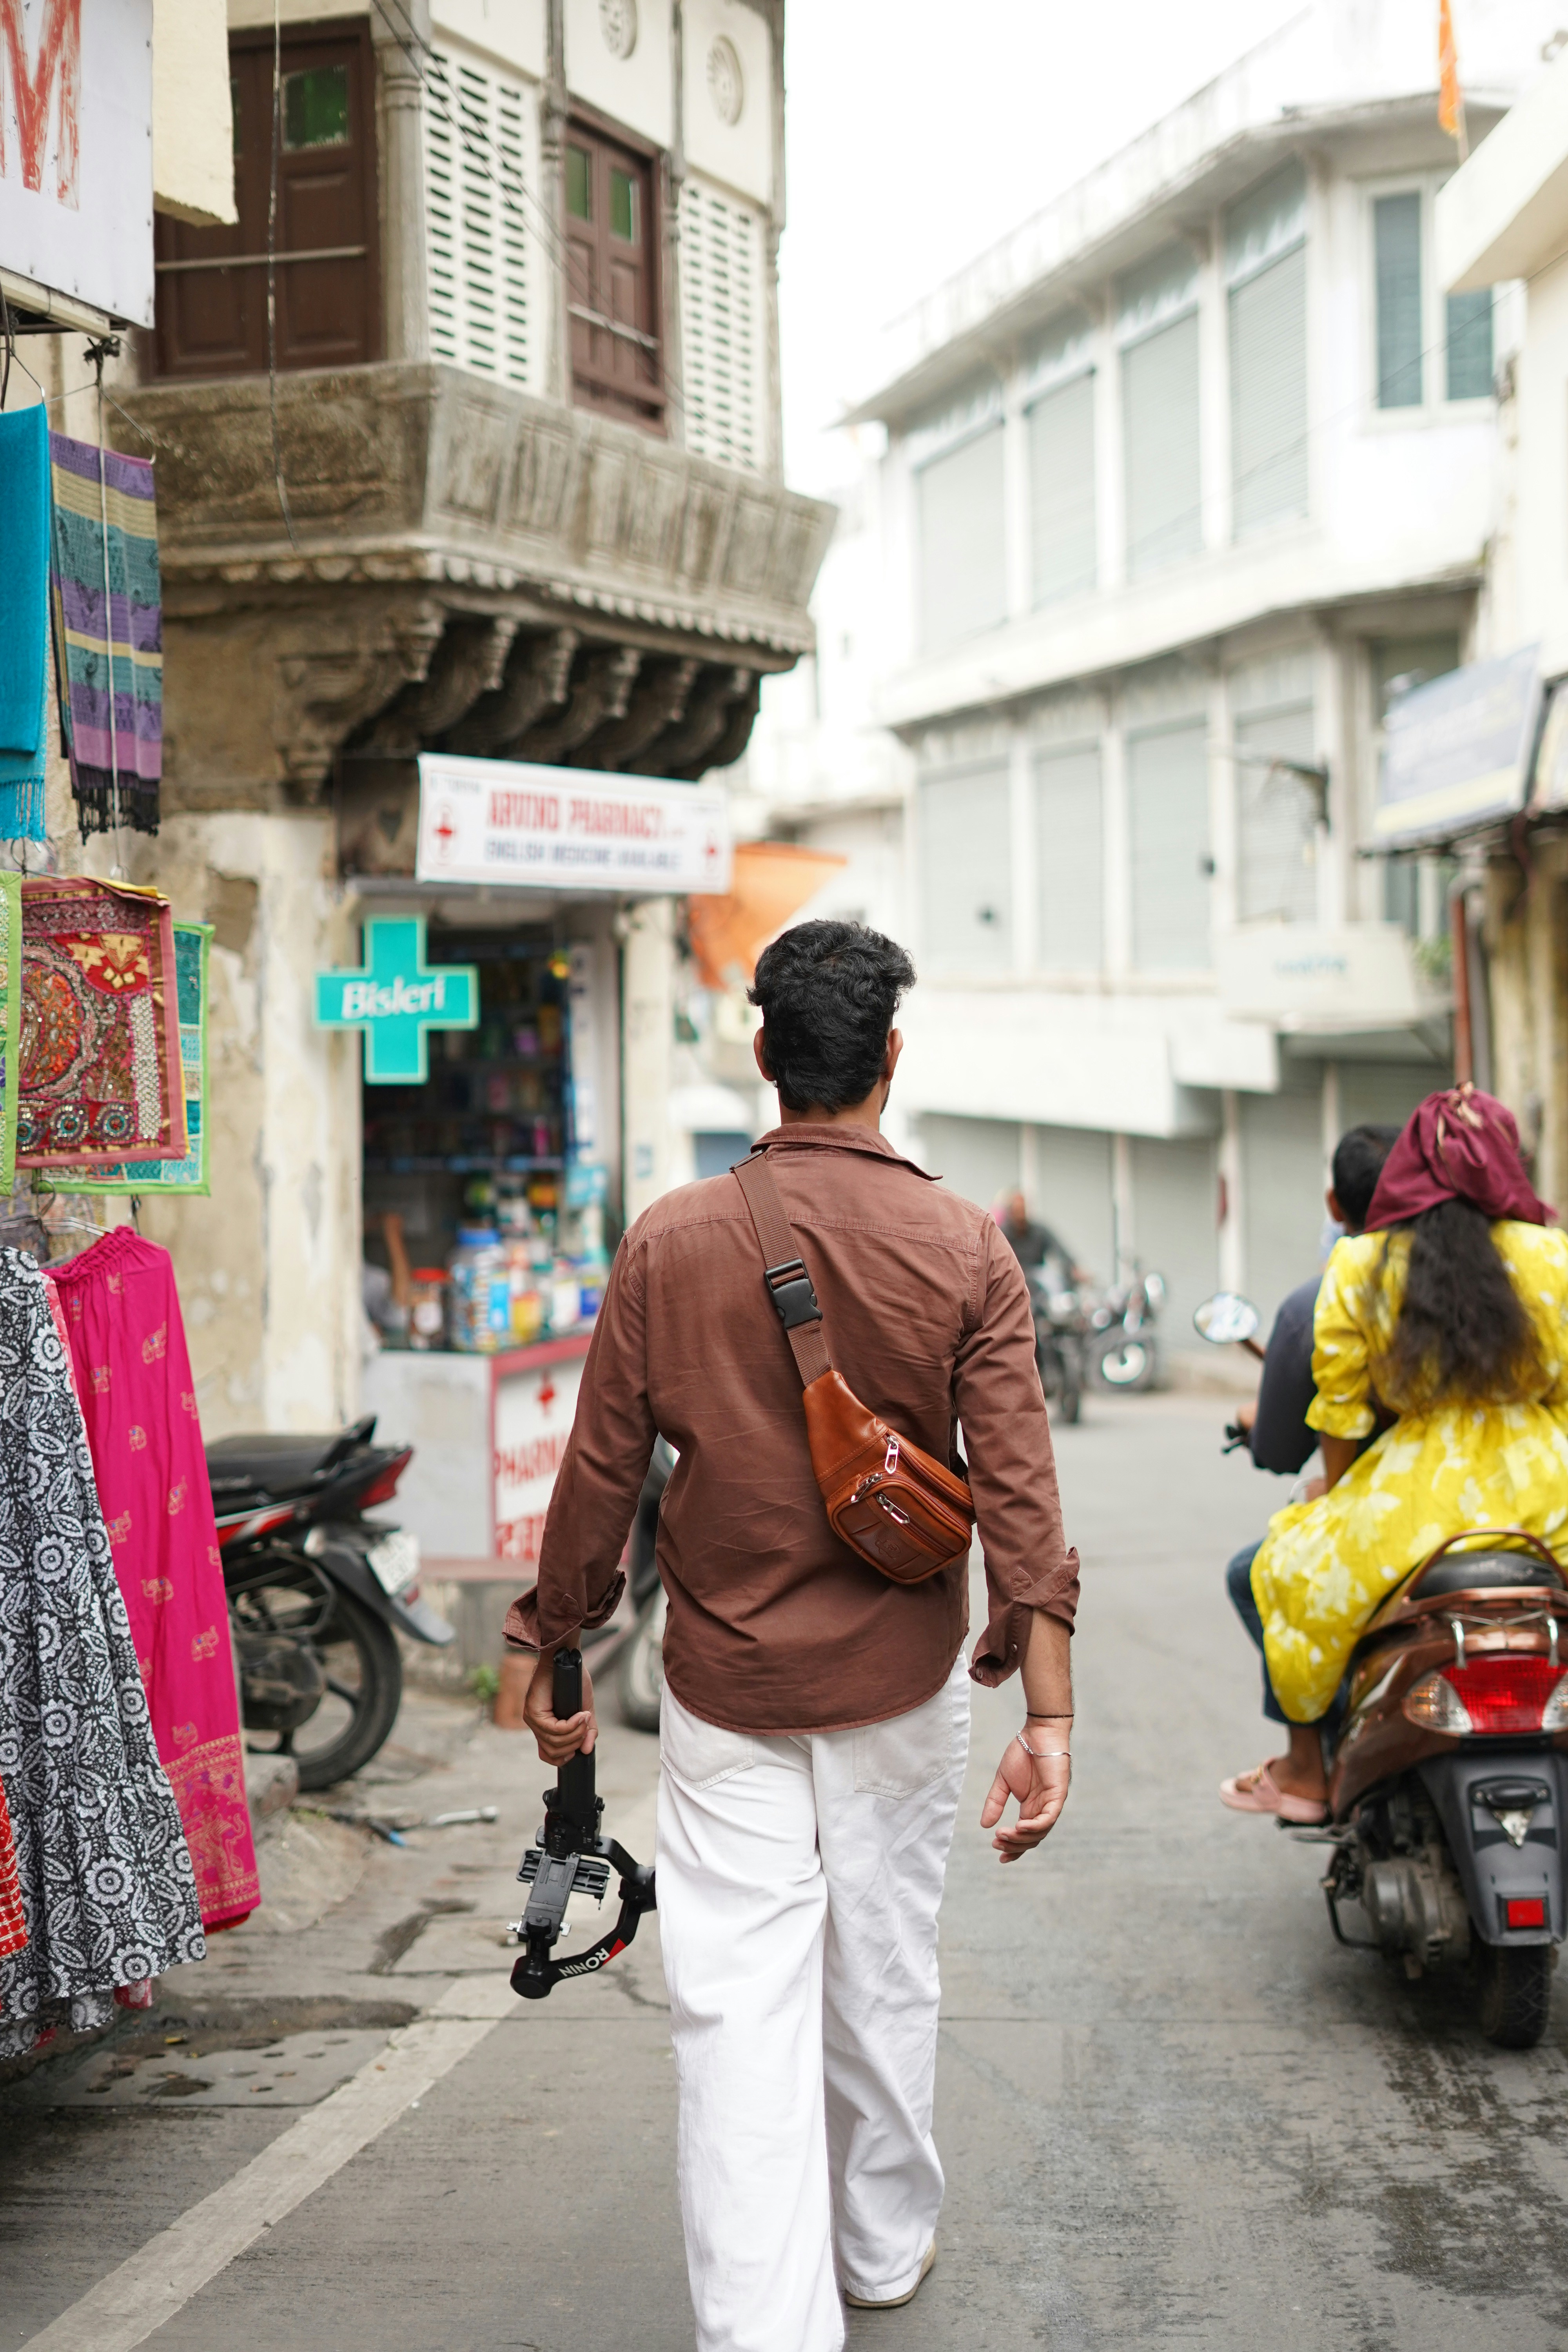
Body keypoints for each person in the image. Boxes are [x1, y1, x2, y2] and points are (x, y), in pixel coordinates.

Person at [510, 919, 1080, 2352]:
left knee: (735, 2001)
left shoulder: (671, 1239)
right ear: (889, 1058)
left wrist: (551, 1644)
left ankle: (766, 2324)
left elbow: (598, 1476)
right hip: (902, 1682)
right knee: (882, 1955)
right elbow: (1019, 1491)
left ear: (763, 1055)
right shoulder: (964, 1243)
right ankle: (880, 2245)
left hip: (725, 1683)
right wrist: (1048, 1713)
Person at [1221, 1083, 1568, 1824]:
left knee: (1281, 1571)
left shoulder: (1359, 1265)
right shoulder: (1551, 1253)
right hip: (1548, 1484)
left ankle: (1310, 1774)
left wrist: (1340, 1500)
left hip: (1413, 1495)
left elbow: (1338, 1412)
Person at [1222, 1124, 1397, 1727]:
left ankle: (1321, 1750)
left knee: (1257, 1574)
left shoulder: (1321, 1301)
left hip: (1392, 1515)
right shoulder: (1486, 1277)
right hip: (1502, 1502)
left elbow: (1279, 1448)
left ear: (1335, 1205)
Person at [997, 1190, 1083, 1283]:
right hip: (1013, 1278)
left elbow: (1058, 1249)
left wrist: (1073, 1267)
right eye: (1017, 1211)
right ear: (1011, 1213)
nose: (1021, 1216)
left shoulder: (1039, 1231)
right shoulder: (1002, 1235)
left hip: (1039, 1276)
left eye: (1023, 1211)